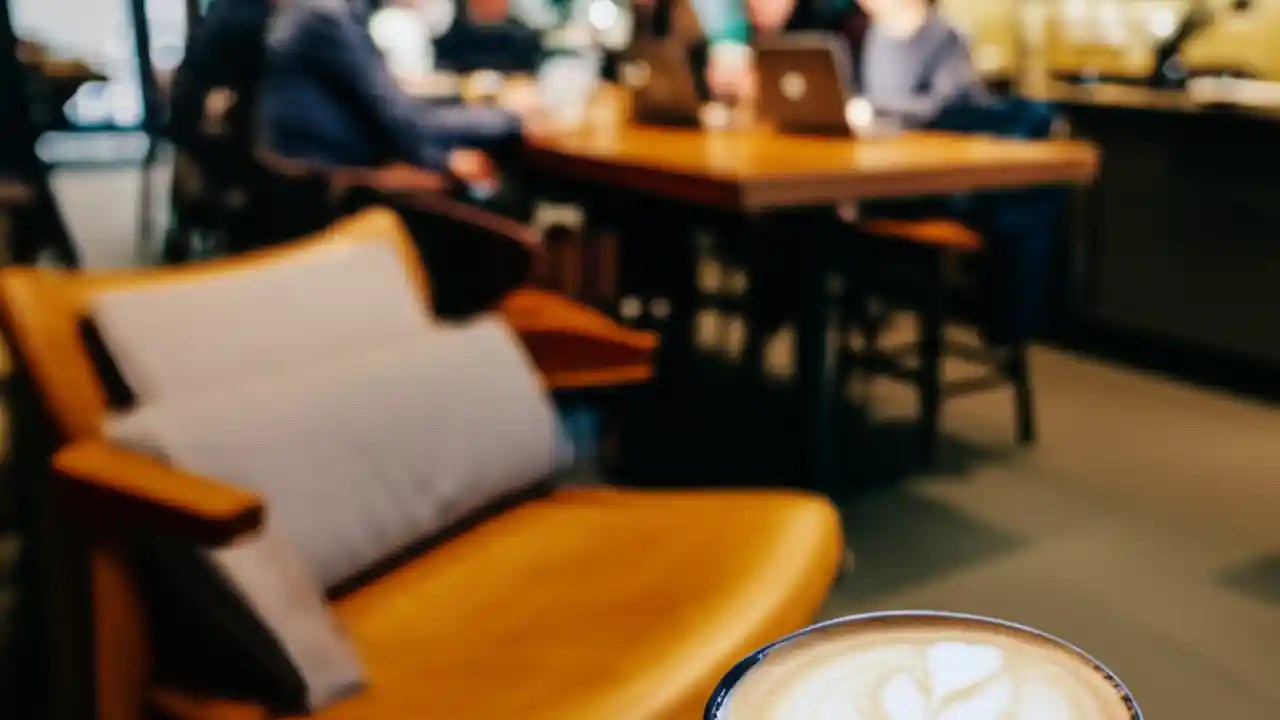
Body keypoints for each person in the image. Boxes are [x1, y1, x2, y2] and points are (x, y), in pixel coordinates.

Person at [259, 0, 525, 198]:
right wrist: (506, 120)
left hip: (315, 172)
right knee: (494, 195)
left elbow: (393, 110)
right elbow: (398, 119)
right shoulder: (325, 16)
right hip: (333, 183)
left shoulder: (310, 10)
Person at [696, 0, 986, 128]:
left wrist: (868, 110)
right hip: (873, 160)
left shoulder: (947, 36)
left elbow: (951, 107)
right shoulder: (865, 34)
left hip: (933, 167)